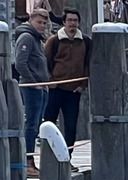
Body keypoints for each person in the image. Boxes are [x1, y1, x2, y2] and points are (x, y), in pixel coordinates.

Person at [44, 10, 88, 146]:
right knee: (49, 123)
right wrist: (50, 81)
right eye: (69, 20)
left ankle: (68, 157)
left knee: (71, 126)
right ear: (64, 22)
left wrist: (83, 85)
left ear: (78, 23)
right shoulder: (54, 40)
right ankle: (49, 157)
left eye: (75, 20)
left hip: (74, 90)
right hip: (56, 89)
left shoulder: (85, 41)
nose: (72, 23)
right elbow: (46, 61)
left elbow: (88, 64)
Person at [14, 11, 51, 173]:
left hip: (42, 88)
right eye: (39, 22)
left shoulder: (37, 39)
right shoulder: (27, 38)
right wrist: (34, 82)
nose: (42, 26)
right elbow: (20, 63)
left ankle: (31, 160)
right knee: (31, 124)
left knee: (36, 125)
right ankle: (27, 161)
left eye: (44, 23)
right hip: (31, 88)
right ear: (31, 21)